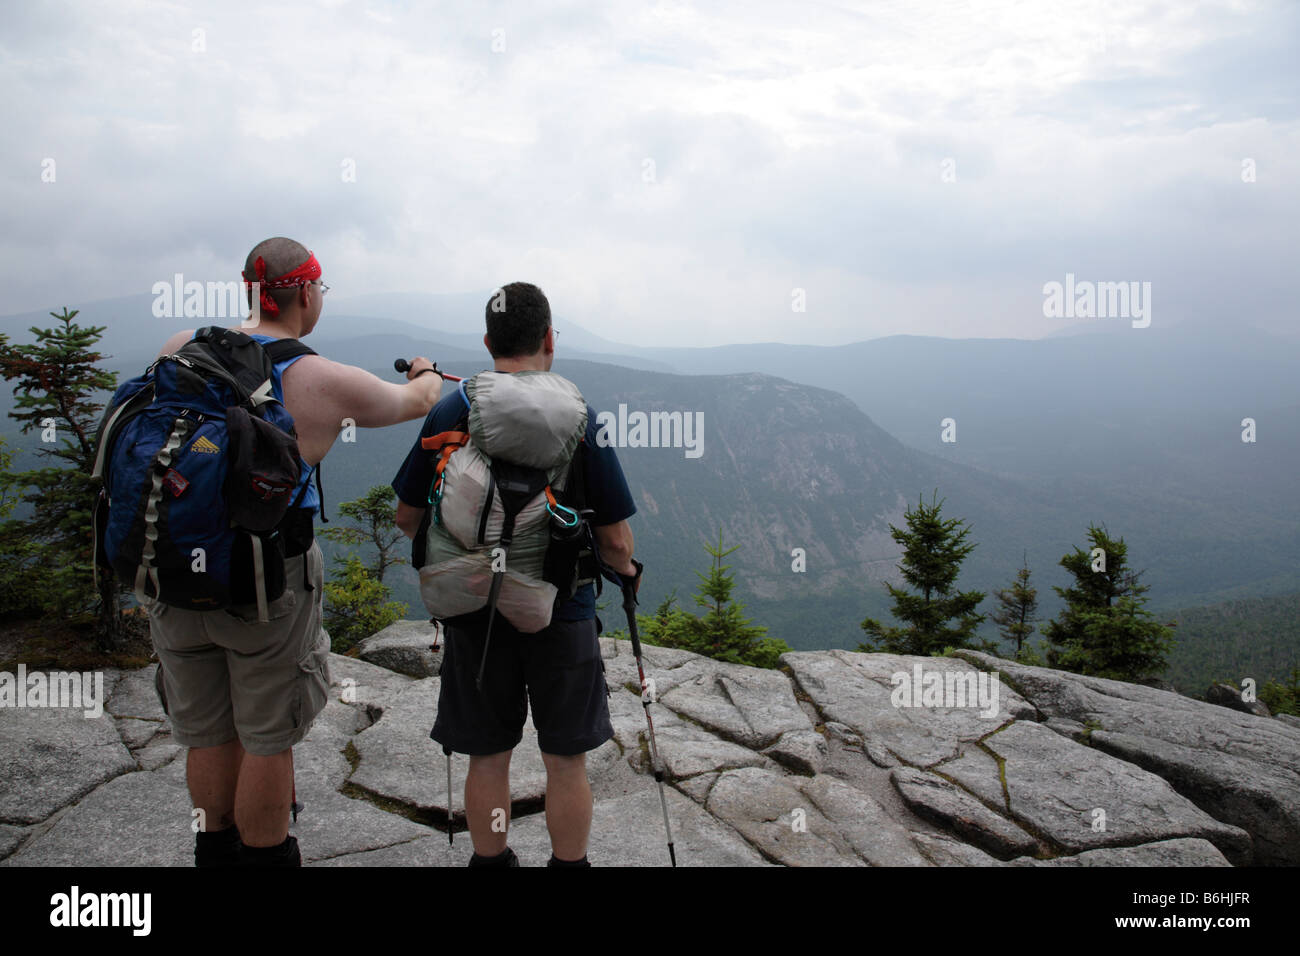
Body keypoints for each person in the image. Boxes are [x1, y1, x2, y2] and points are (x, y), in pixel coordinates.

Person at [150, 237, 444, 866]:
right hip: (264, 583)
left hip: (173, 571)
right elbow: (418, 404)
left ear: (250, 291)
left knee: (206, 732)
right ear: (306, 292)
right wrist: (422, 372)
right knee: (266, 738)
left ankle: (214, 851)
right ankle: (266, 856)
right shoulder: (318, 379)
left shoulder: (179, 350)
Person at [392, 282, 639, 867]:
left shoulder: (454, 407)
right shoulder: (582, 417)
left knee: (488, 754)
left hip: (474, 607)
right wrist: (626, 572)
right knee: (565, 759)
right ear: (550, 340)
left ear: (486, 342)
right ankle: (569, 864)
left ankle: (491, 860)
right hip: (563, 608)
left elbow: (407, 517)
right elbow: (614, 539)